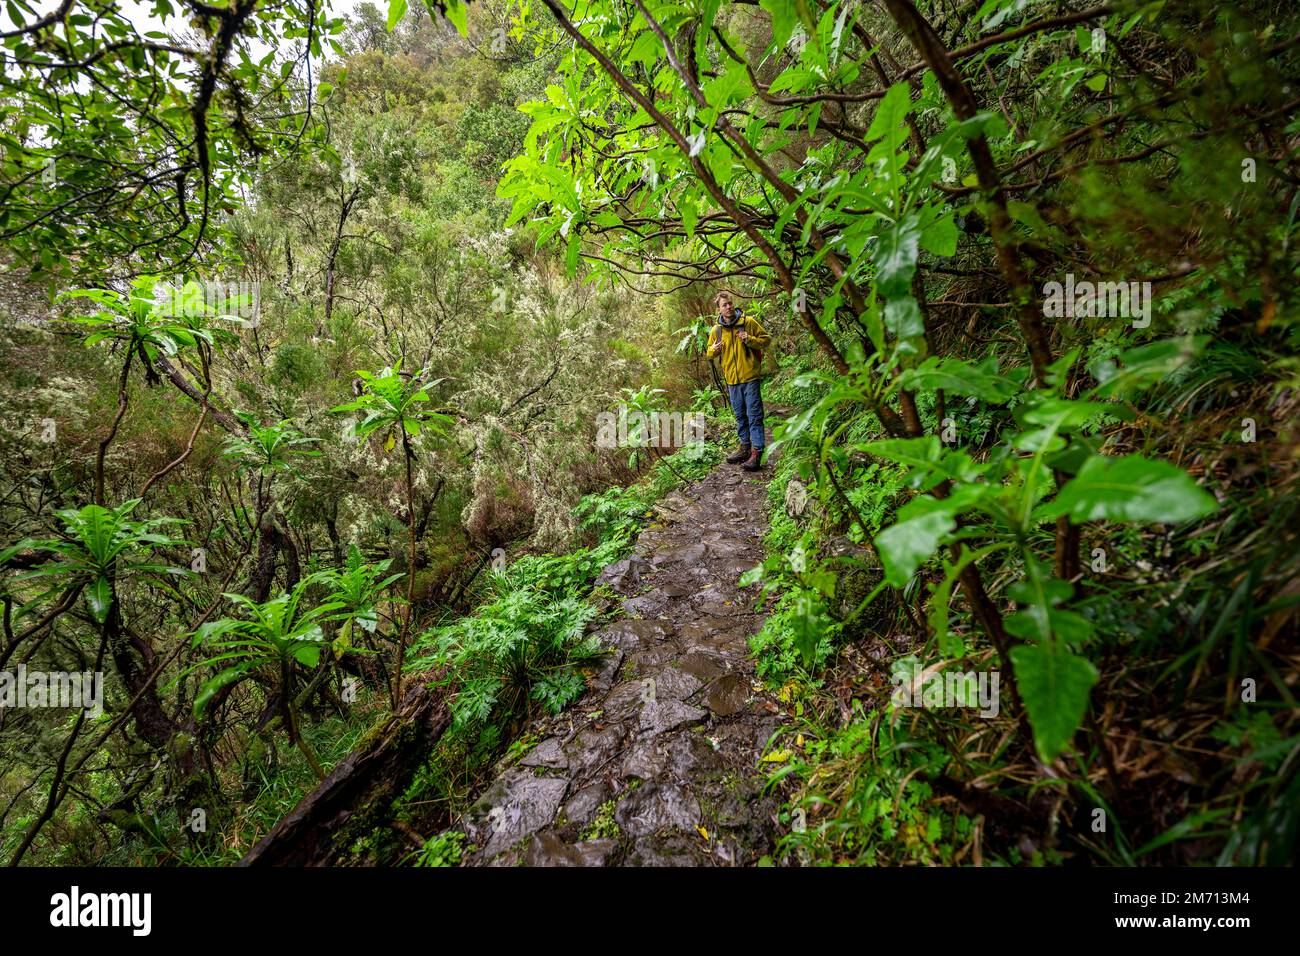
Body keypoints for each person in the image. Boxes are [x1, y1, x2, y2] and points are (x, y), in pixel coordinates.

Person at [706, 291, 771, 471]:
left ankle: (757, 453)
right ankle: (744, 448)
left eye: (730, 303)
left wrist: (749, 339)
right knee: (740, 416)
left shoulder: (747, 323)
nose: (728, 307)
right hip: (732, 380)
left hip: (750, 376)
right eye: (724, 305)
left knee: (754, 415)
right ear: (718, 309)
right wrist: (714, 349)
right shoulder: (716, 331)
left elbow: (766, 340)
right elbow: (709, 353)